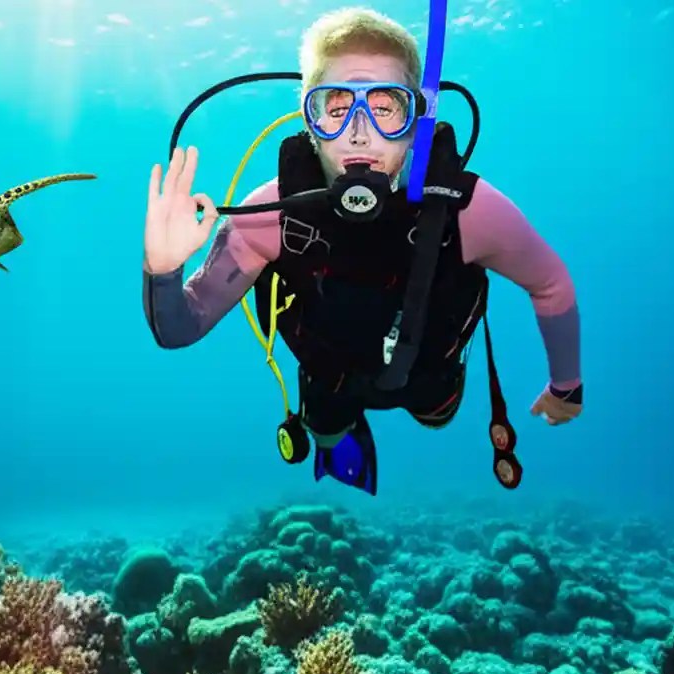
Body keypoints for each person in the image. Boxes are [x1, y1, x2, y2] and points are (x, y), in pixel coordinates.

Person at [142, 6, 582, 495]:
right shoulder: (268, 216)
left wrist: (566, 386)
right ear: (309, 120)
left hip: (428, 374)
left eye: (385, 107)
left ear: (417, 120)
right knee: (326, 430)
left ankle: (405, 415)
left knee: (436, 413)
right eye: (335, 107)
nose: (359, 131)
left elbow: (550, 284)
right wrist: (163, 269)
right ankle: (339, 439)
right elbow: (179, 329)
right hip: (329, 378)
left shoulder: (468, 210)